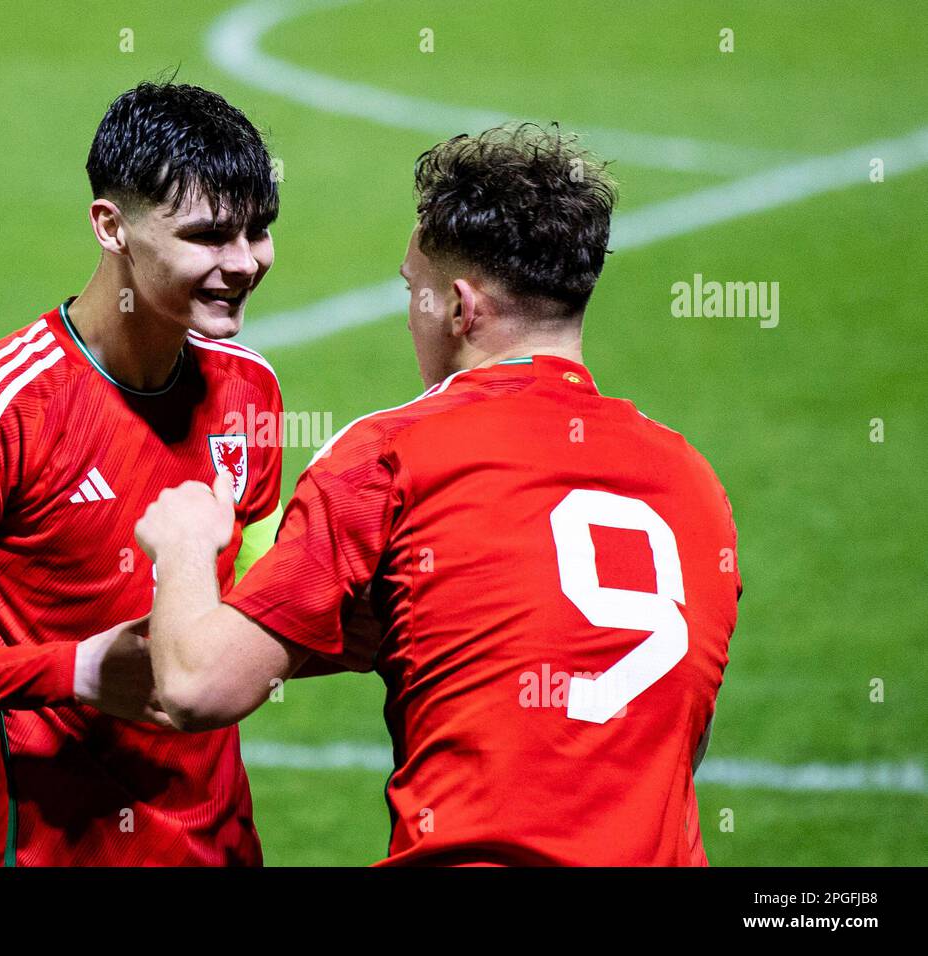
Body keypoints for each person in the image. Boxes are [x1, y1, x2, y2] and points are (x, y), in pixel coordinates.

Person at [135, 124, 741, 866]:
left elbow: (196, 688)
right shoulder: (692, 479)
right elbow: (681, 735)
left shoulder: (391, 454)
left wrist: (186, 545)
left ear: (460, 307)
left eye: (410, 289)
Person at [0, 82, 285, 866]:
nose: (244, 263)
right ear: (111, 227)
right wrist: (70, 672)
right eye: (211, 236)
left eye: (259, 231)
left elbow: (245, 602)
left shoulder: (250, 388)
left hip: (226, 849)